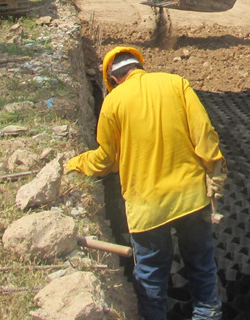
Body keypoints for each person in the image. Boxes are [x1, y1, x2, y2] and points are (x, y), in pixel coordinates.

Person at [65, 46, 226, 320]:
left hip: (147, 208)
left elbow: (106, 160)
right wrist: (215, 172)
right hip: (191, 198)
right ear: (140, 66)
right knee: (201, 266)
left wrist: (76, 163)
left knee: (151, 279)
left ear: (113, 79)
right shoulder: (176, 83)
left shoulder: (113, 103)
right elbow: (204, 134)